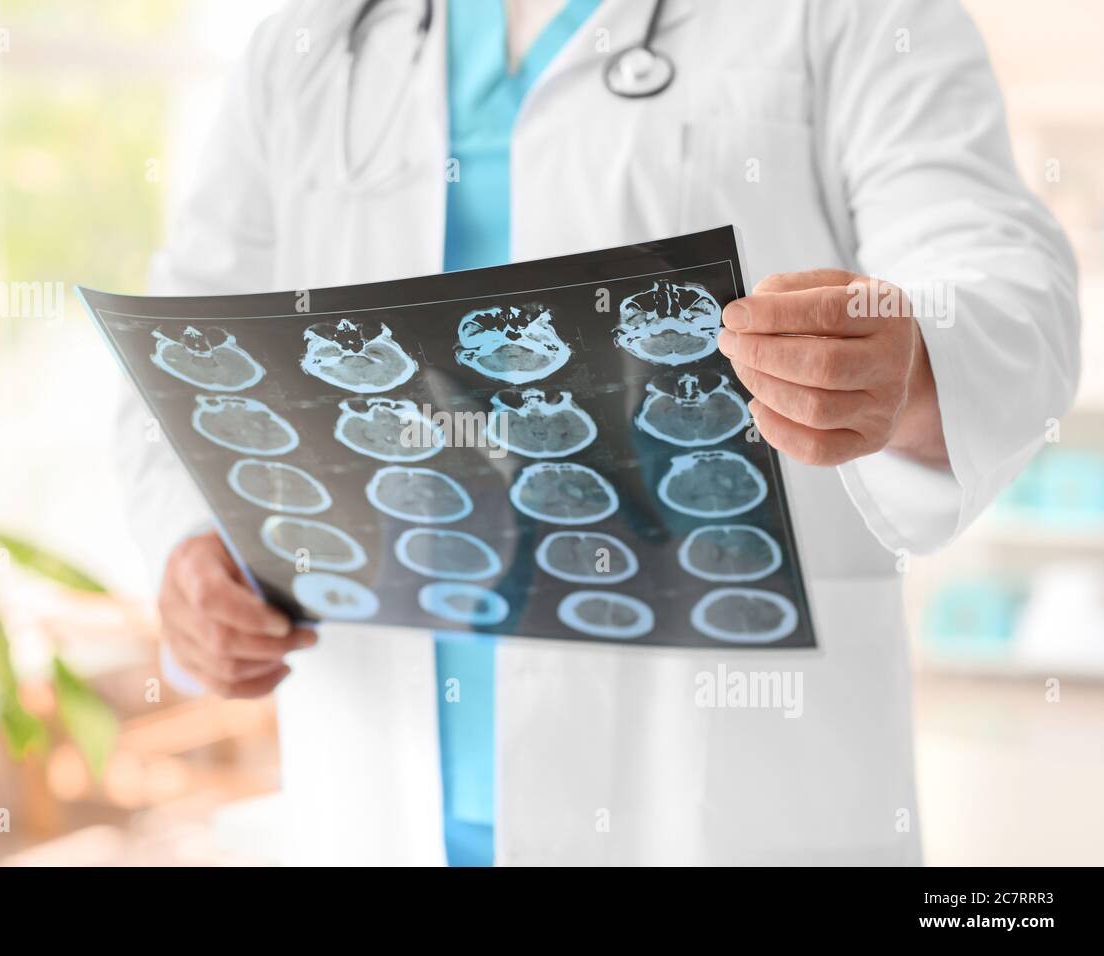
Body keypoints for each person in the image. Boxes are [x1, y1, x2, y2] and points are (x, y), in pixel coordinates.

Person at [115, 0, 1079, 865]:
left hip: (721, 799)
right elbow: (181, 344)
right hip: (378, 783)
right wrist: (193, 550)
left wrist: (911, 360)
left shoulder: (854, 15)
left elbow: (1000, 272)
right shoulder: (311, 43)